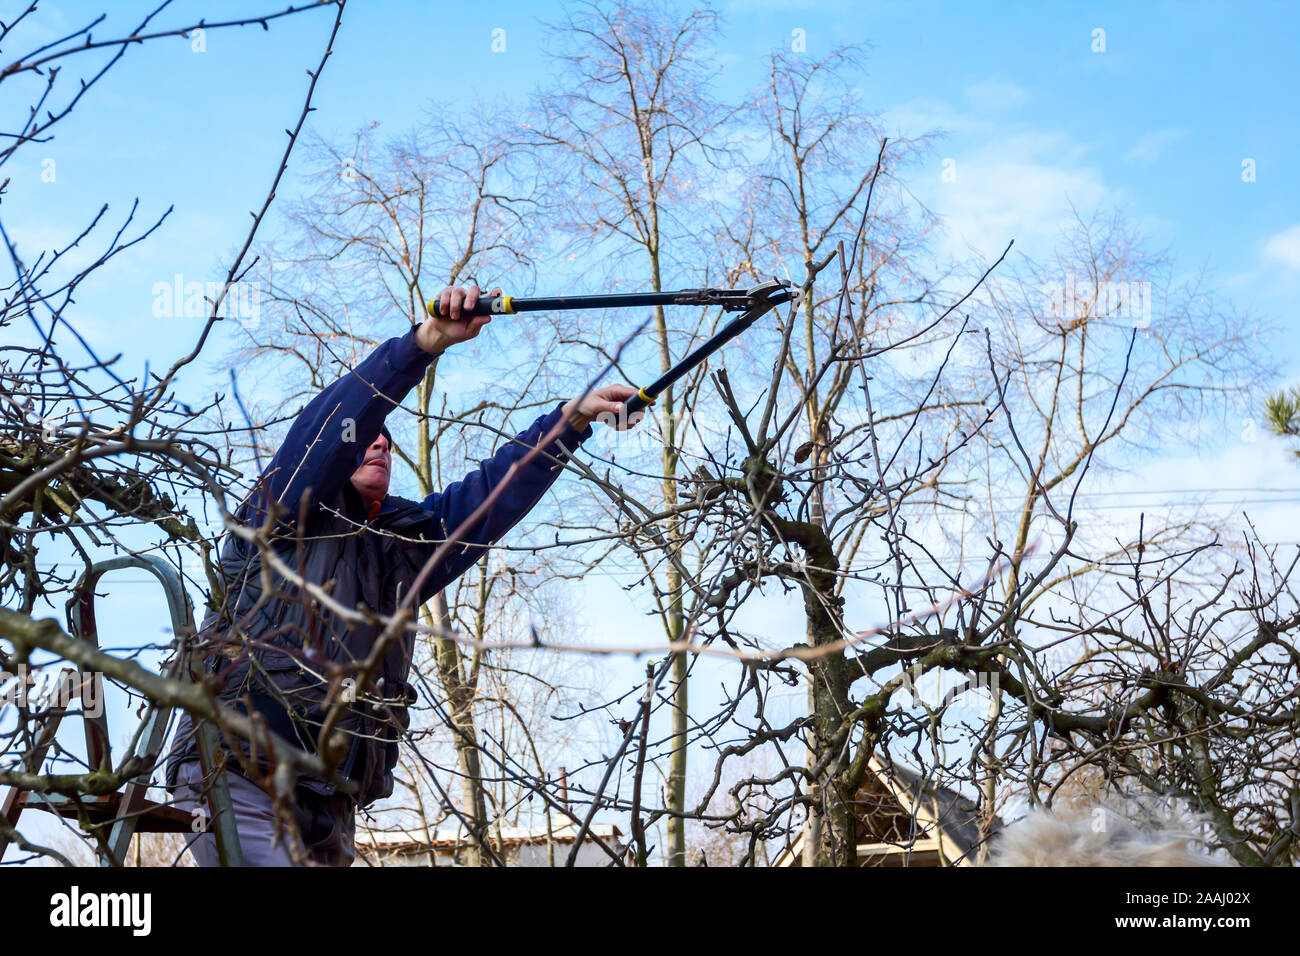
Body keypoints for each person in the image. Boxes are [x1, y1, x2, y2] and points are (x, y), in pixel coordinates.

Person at [165, 283, 641, 866]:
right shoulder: (281, 510)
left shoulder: (405, 544)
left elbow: (494, 493)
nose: (380, 446)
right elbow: (334, 425)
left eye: (388, 444)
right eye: (369, 438)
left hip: (330, 794)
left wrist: (572, 420)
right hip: (238, 769)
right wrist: (427, 342)